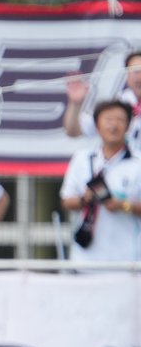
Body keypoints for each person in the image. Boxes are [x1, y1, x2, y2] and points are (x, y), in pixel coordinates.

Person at [59, 100, 141, 263]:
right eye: (108, 119)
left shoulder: (138, 162)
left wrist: (123, 205)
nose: (114, 125)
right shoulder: (82, 158)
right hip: (85, 258)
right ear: (97, 125)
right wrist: (84, 200)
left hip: (127, 261)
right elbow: (66, 201)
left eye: (120, 120)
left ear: (128, 127)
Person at [63, 51, 141, 150]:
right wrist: (75, 103)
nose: (139, 76)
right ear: (127, 75)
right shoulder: (116, 105)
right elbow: (74, 131)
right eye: (135, 71)